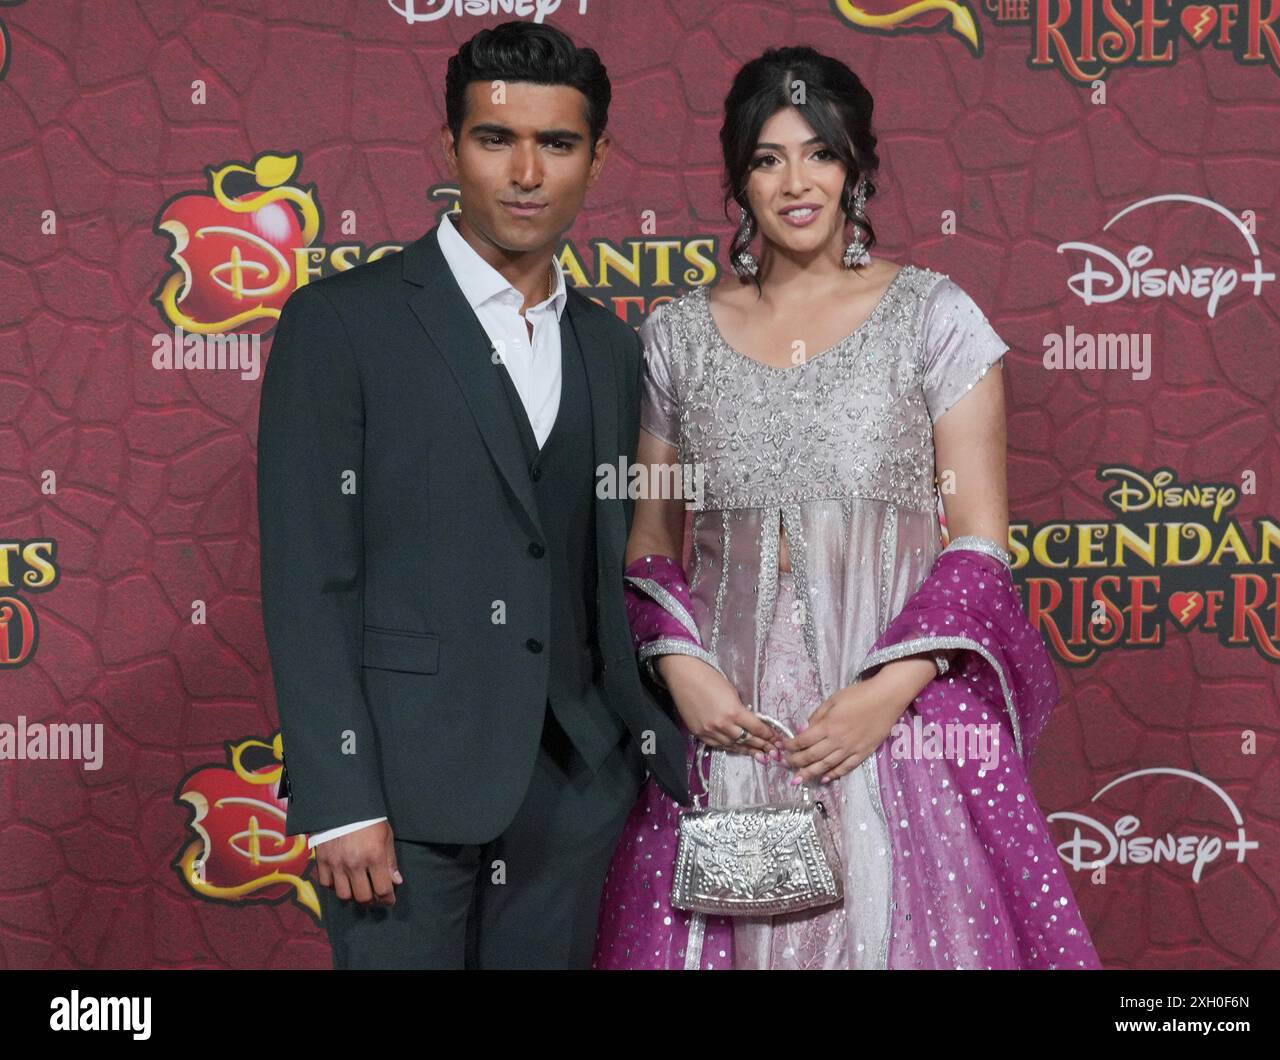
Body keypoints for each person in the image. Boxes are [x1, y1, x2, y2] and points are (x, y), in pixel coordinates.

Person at [593, 45, 1102, 970]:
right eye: (767, 157)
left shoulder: (934, 318)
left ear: (858, 168)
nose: (796, 182)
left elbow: (980, 542)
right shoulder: (674, 340)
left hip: (894, 729)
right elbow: (649, 538)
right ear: (736, 180)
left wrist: (886, 695)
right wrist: (684, 672)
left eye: (820, 153)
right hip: (731, 736)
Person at [257, 20, 689, 969]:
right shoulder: (342, 323)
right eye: (497, 140)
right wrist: (342, 797)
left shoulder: (614, 349)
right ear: (450, 147)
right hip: (400, 798)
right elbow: (308, 579)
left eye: (558, 144)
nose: (526, 172)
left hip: (576, 793)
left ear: (599, 157)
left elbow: (617, 561)